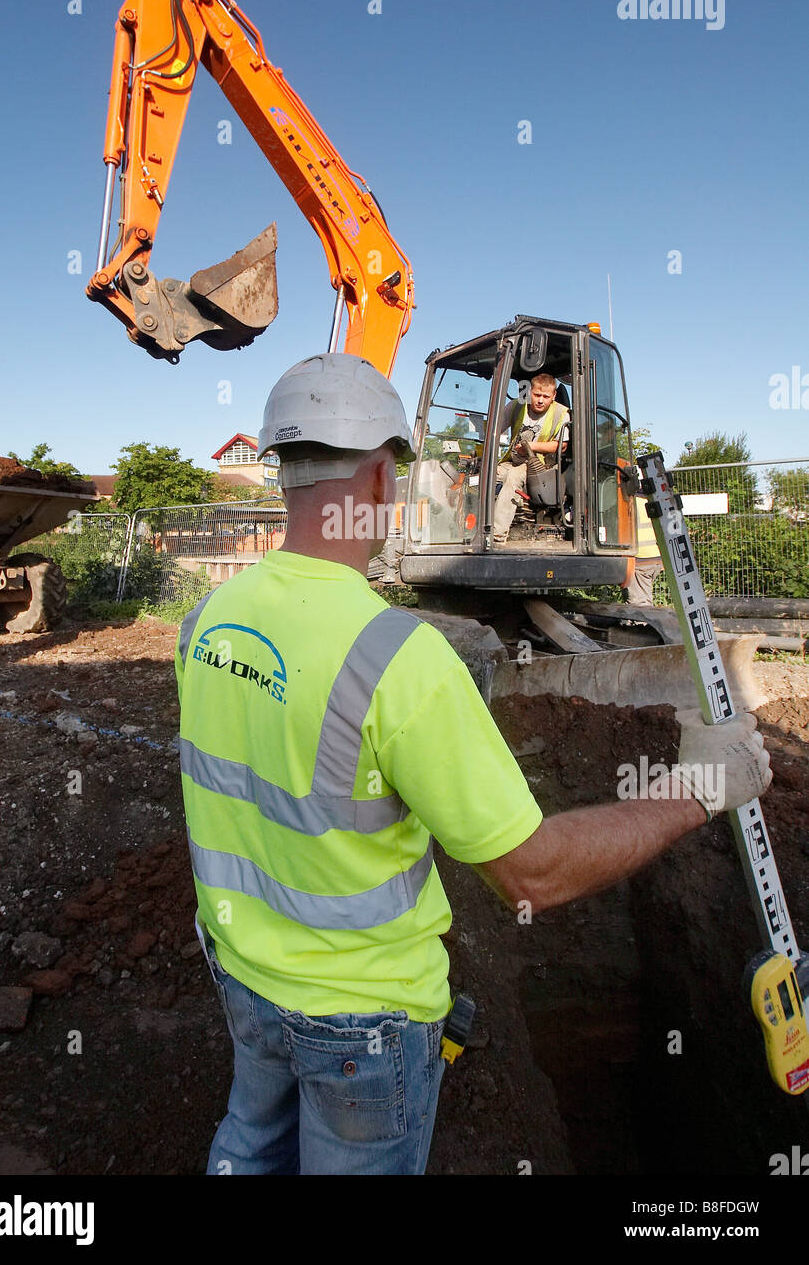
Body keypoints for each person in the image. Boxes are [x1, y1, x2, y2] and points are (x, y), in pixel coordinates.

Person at [174, 351, 772, 1177]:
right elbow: (531, 876)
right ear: (383, 481)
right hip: (361, 1020)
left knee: (249, 1143)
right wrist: (698, 788)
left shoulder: (205, 621)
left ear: (281, 468)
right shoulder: (397, 659)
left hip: (243, 973)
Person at [493, 373, 569, 544]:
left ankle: (497, 535)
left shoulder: (561, 413)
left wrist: (531, 446)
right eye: (537, 395)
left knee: (513, 478)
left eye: (546, 396)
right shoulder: (515, 406)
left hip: (541, 465)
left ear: (554, 396)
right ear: (529, 392)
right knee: (485, 477)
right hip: (512, 460)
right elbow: (495, 430)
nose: (541, 400)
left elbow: (561, 445)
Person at [626, 492, 665, 605]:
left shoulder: (631, 501)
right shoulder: (652, 499)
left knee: (640, 603)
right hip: (656, 557)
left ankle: (645, 622)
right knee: (641, 596)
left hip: (641, 559)